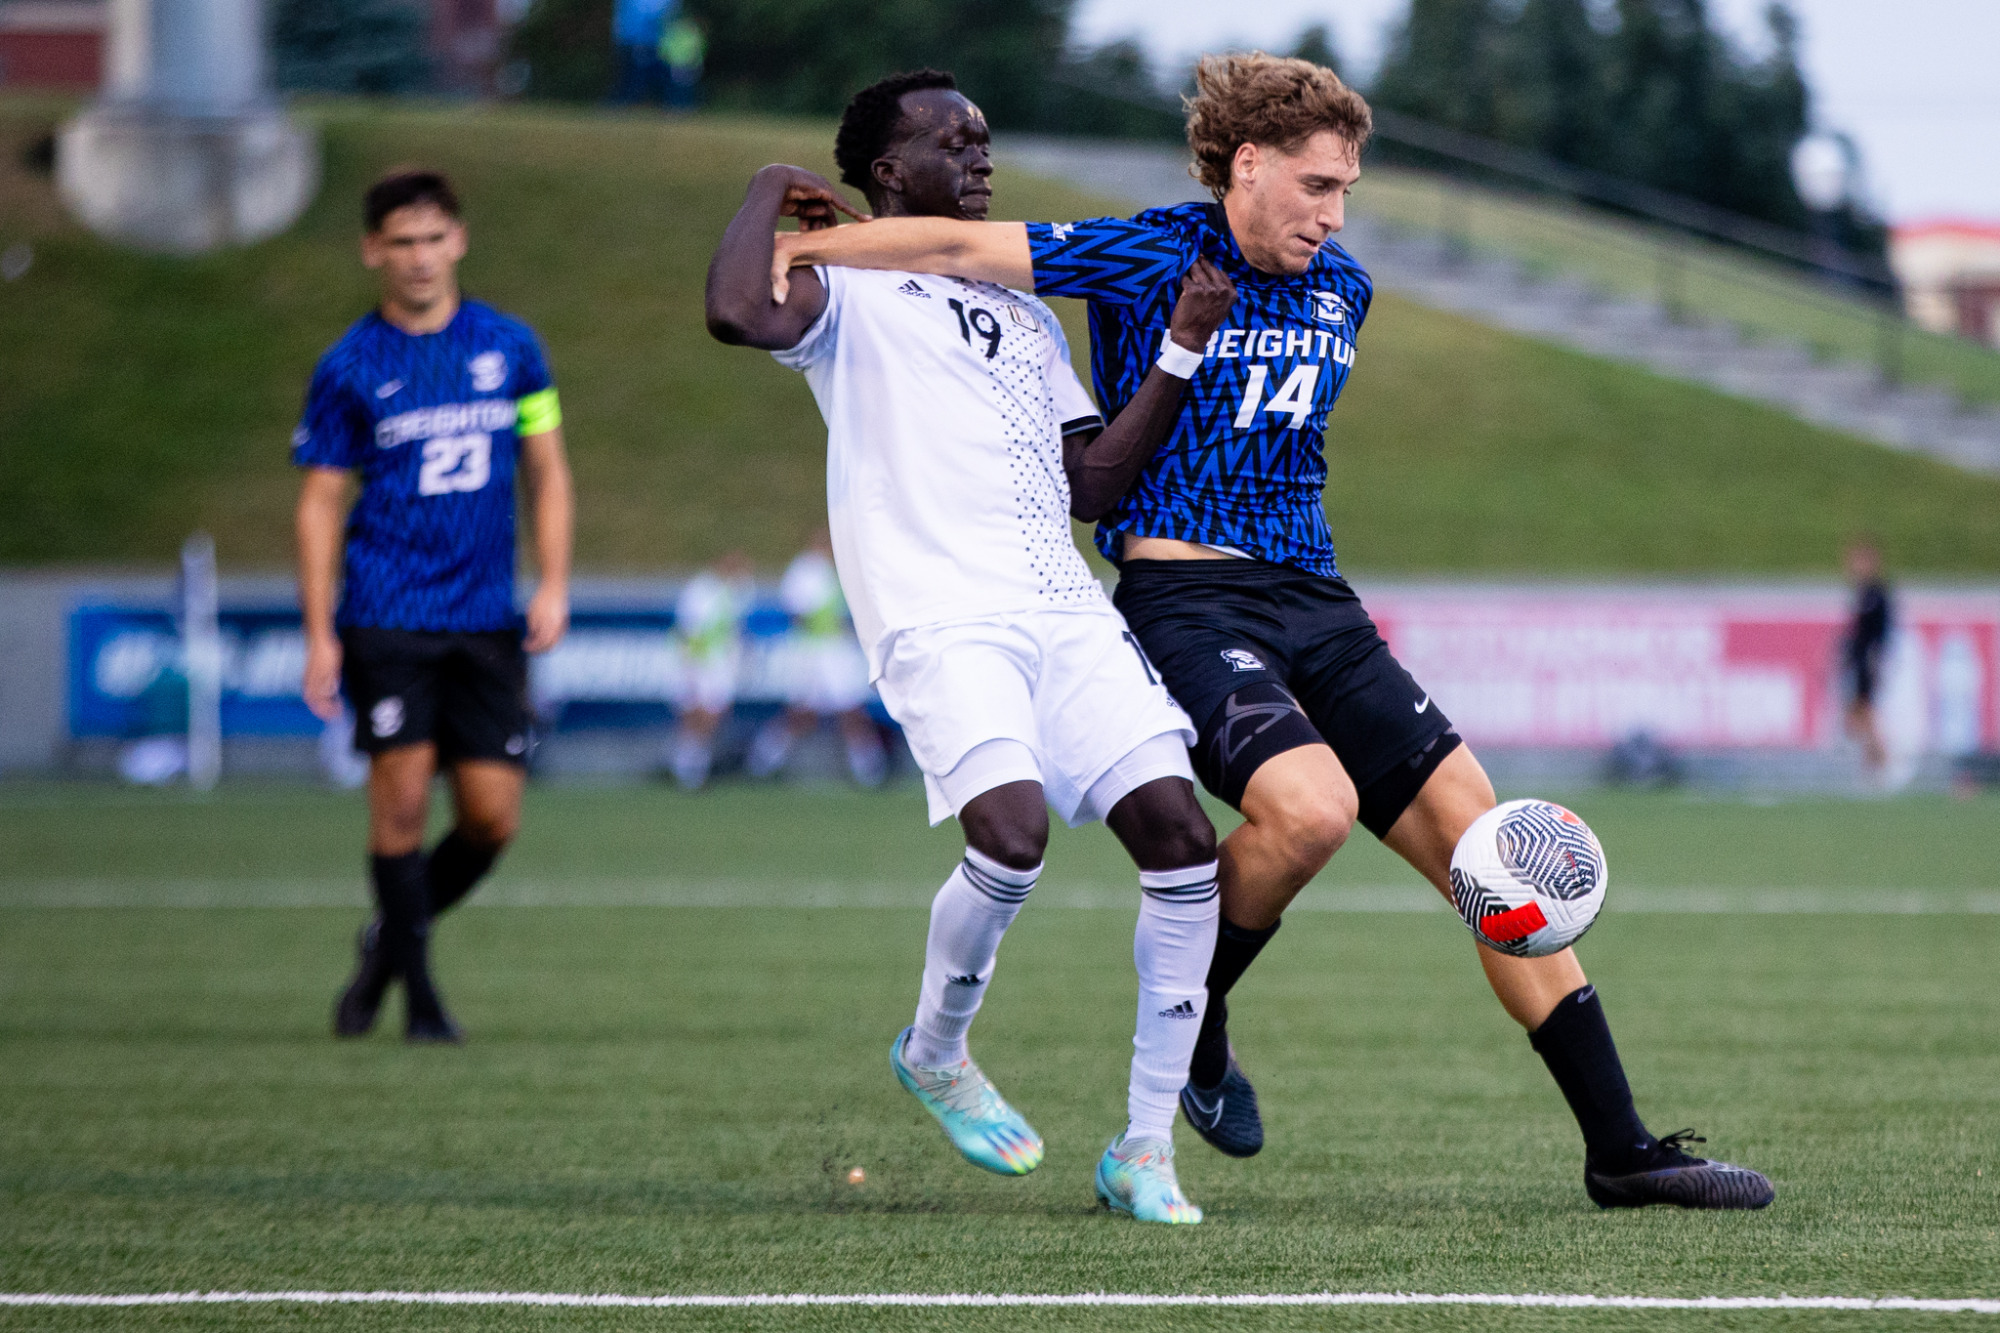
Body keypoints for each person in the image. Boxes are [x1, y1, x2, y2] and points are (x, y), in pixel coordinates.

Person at [771, 52, 1773, 1210]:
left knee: (1488, 852)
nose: (1332, 213)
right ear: (1245, 166)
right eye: (1313, 184)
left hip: (1318, 604)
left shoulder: (1340, 282)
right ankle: (1198, 1028)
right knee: (1309, 814)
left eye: (1344, 188)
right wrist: (808, 245)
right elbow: (948, 248)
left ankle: (1621, 1149)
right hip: (1186, 606)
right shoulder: (1147, 251)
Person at [707, 69, 1240, 1223]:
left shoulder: (1023, 313)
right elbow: (736, 313)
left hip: (1059, 603)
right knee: (1011, 833)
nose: (982, 158)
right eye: (956, 142)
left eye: (986, 140)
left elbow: (1093, 483)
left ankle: (1143, 1149)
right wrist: (764, 187)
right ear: (890, 171)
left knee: (1183, 838)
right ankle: (936, 1048)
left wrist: (1178, 355)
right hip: (938, 611)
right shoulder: (843, 287)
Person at [296, 170, 574, 1044]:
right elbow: (318, 502)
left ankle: (385, 943)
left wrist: (556, 581)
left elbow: (547, 469)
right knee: (404, 806)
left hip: (487, 615)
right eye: (400, 242)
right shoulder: (350, 367)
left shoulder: (511, 347)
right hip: (387, 614)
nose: (418, 257)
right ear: (373, 250)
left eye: (432, 238)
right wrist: (318, 634)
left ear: (458, 239)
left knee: (492, 818)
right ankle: (419, 1001)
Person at [747, 529, 888, 786]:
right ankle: (761, 762)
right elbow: (798, 614)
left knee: (848, 711)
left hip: (833, 652)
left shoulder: (830, 569)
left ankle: (870, 771)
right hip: (816, 653)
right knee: (809, 714)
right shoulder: (803, 570)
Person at [667, 550, 751, 789]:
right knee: (696, 714)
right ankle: (688, 767)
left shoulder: (735, 591)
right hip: (698, 660)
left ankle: (691, 765)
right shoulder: (700, 590)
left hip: (718, 662)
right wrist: (689, 666)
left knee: (713, 714)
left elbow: (733, 628)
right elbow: (688, 631)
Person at [1842, 540, 1894, 777]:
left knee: (1863, 713)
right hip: (1861, 660)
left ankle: (1881, 763)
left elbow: (1878, 633)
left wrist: (1876, 660)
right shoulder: (1863, 592)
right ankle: (1873, 764)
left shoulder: (1875, 593)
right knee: (1860, 714)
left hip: (1869, 661)